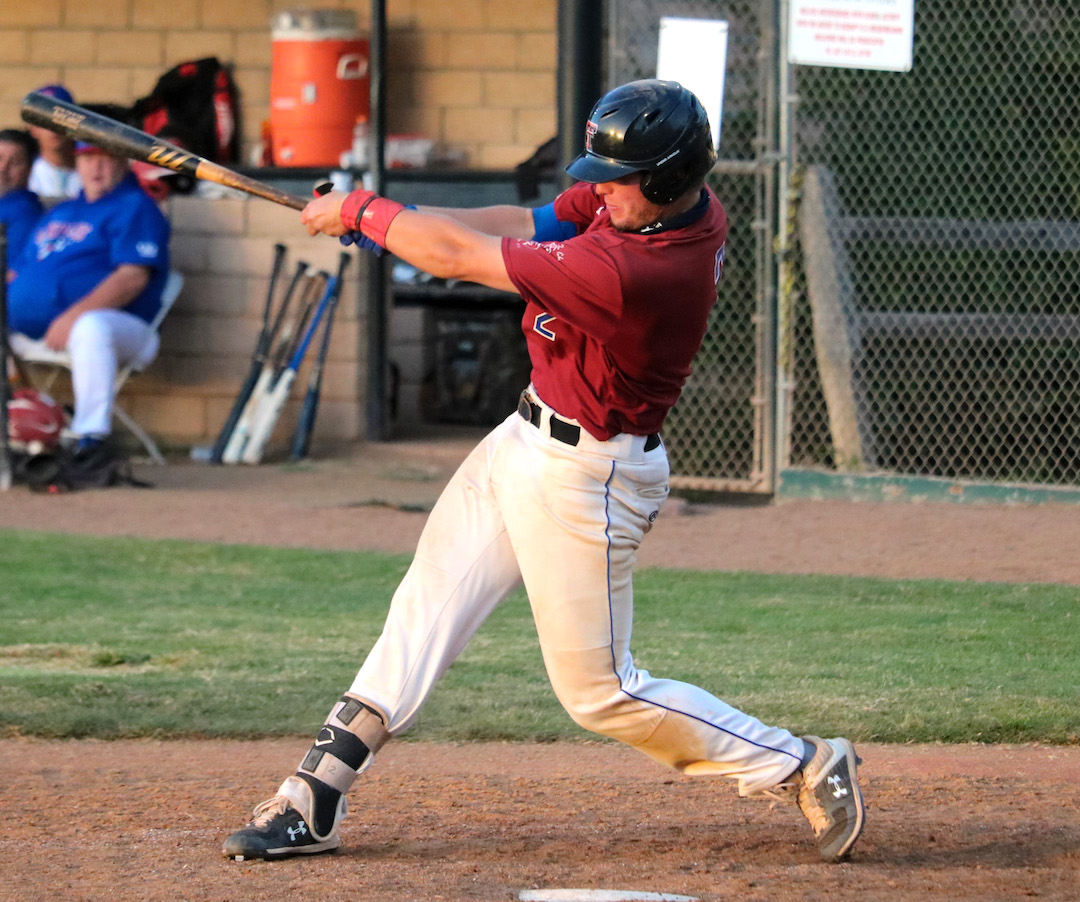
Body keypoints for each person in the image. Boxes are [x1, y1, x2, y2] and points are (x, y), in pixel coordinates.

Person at [222, 80, 865, 864]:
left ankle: (801, 763)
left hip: (588, 476)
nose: (598, 186)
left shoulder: (638, 272)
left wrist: (364, 216)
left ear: (663, 180)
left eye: (617, 176)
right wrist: (387, 218)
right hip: (525, 439)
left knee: (602, 694)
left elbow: (463, 259)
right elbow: (513, 227)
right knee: (423, 608)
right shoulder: (659, 204)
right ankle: (313, 793)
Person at [7, 141, 171, 455]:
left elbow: (132, 277)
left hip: (124, 330)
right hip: (38, 332)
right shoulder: (63, 211)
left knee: (90, 326)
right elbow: (19, 272)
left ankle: (90, 439)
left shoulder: (135, 206)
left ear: (123, 162)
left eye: (105, 158)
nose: (96, 167)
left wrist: (73, 316)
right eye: (87, 158)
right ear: (76, 164)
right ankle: (13, 434)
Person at [26, 84, 82, 200]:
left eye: (61, 118)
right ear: (32, 128)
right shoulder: (23, 176)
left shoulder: (98, 172)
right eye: (45, 119)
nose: (53, 126)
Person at [0, 128, 44, 260]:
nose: (3, 168)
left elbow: (13, 273)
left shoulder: (25, 213)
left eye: (14, 162)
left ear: (29, 169)